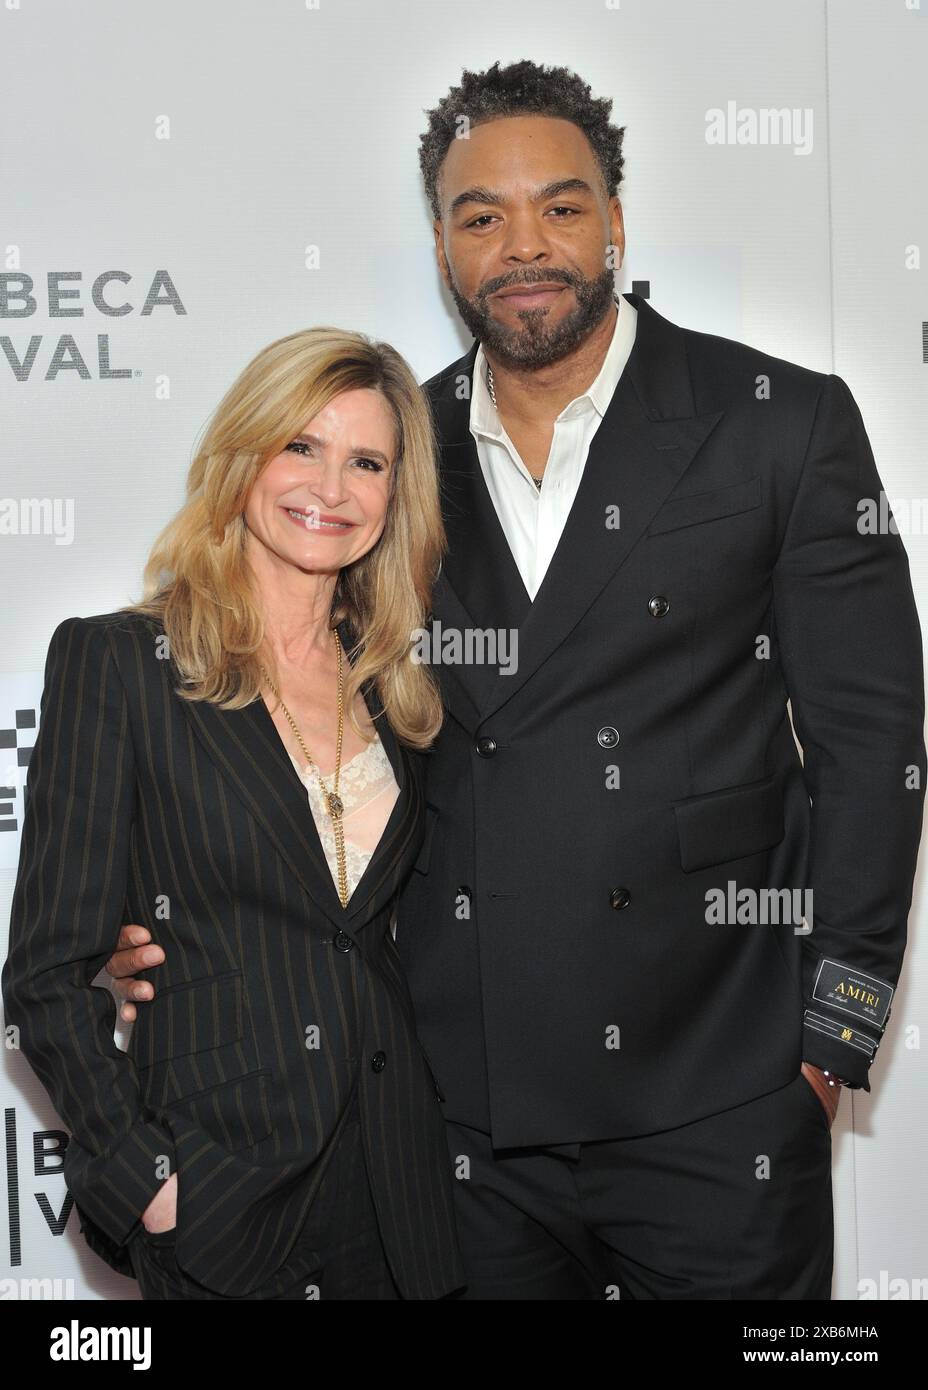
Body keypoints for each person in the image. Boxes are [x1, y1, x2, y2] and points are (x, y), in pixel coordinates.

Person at [106, 59, 926, 1299]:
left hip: (719, 1091)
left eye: (561, 204)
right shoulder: (392, 455)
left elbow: (874, 744)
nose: (522, 243)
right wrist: (156, 924)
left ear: (615, 221)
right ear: (442, 244)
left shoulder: (775, 421)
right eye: (480, 215)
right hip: (458, 1107)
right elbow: (297, 721)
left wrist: (832, 1039)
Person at [2, 326, 465, 1300]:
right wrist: (148, 1181)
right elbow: (46, 973)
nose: (330, 488)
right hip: (225, 1200)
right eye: (301, 445)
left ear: (395, 492)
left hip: (399, 1201)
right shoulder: (122, 664)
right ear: (243, 456)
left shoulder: (401, 693)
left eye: (366, 461)